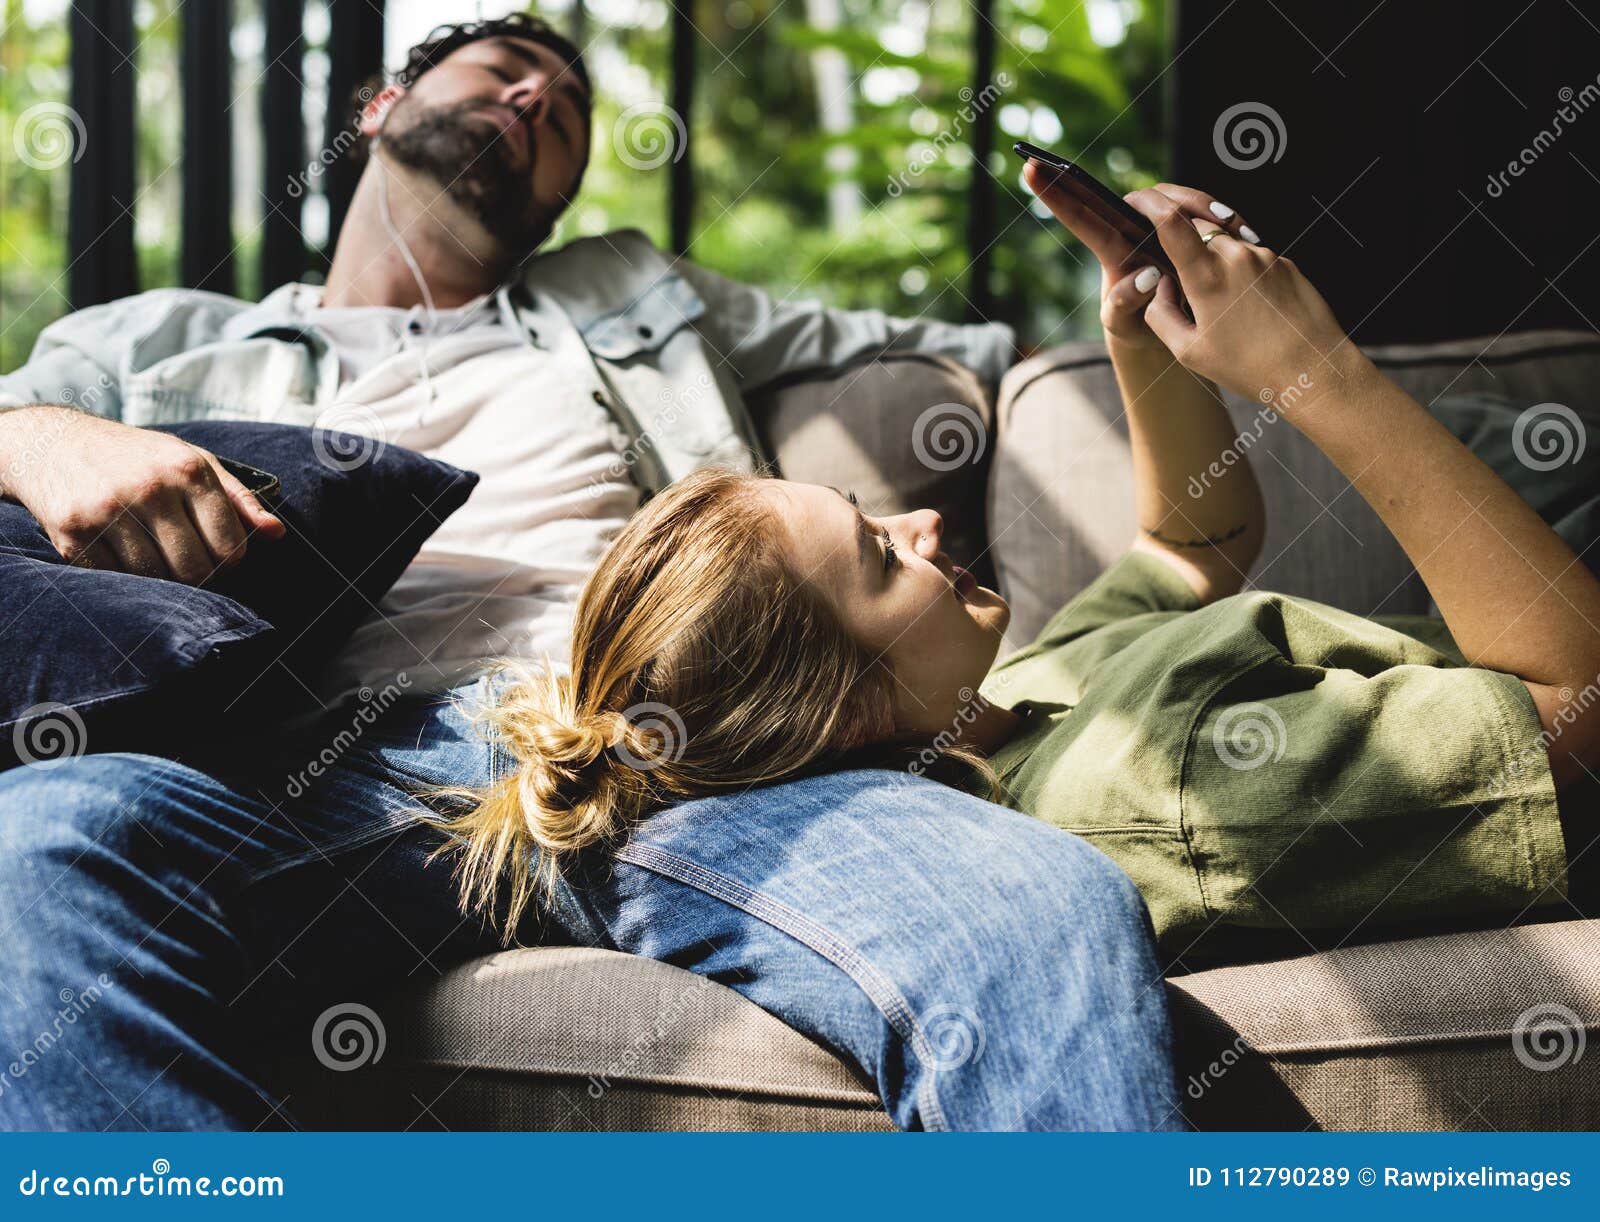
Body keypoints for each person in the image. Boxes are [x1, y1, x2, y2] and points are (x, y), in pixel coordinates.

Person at [0, 15, 1177, 1131]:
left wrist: (1147, 290)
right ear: (383, 104)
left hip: (683, 744)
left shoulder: (622, 291)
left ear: (559, 203)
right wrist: (46, 439)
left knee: (1026, 902)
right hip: (330, 766)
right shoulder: (144, 342)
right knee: (42, 838)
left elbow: (938, 349)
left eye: (567, 114)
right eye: (507, 70)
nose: (536, 98)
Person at [446, 157, 1600, 970]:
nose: (924, 526)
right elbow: (1580, 719)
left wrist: (1133, 338)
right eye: (878, 559)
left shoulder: (1017, 704)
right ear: (845, 715)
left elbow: (1194, 549)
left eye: (868, 510)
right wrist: (1320, 373)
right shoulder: (1161, 796)